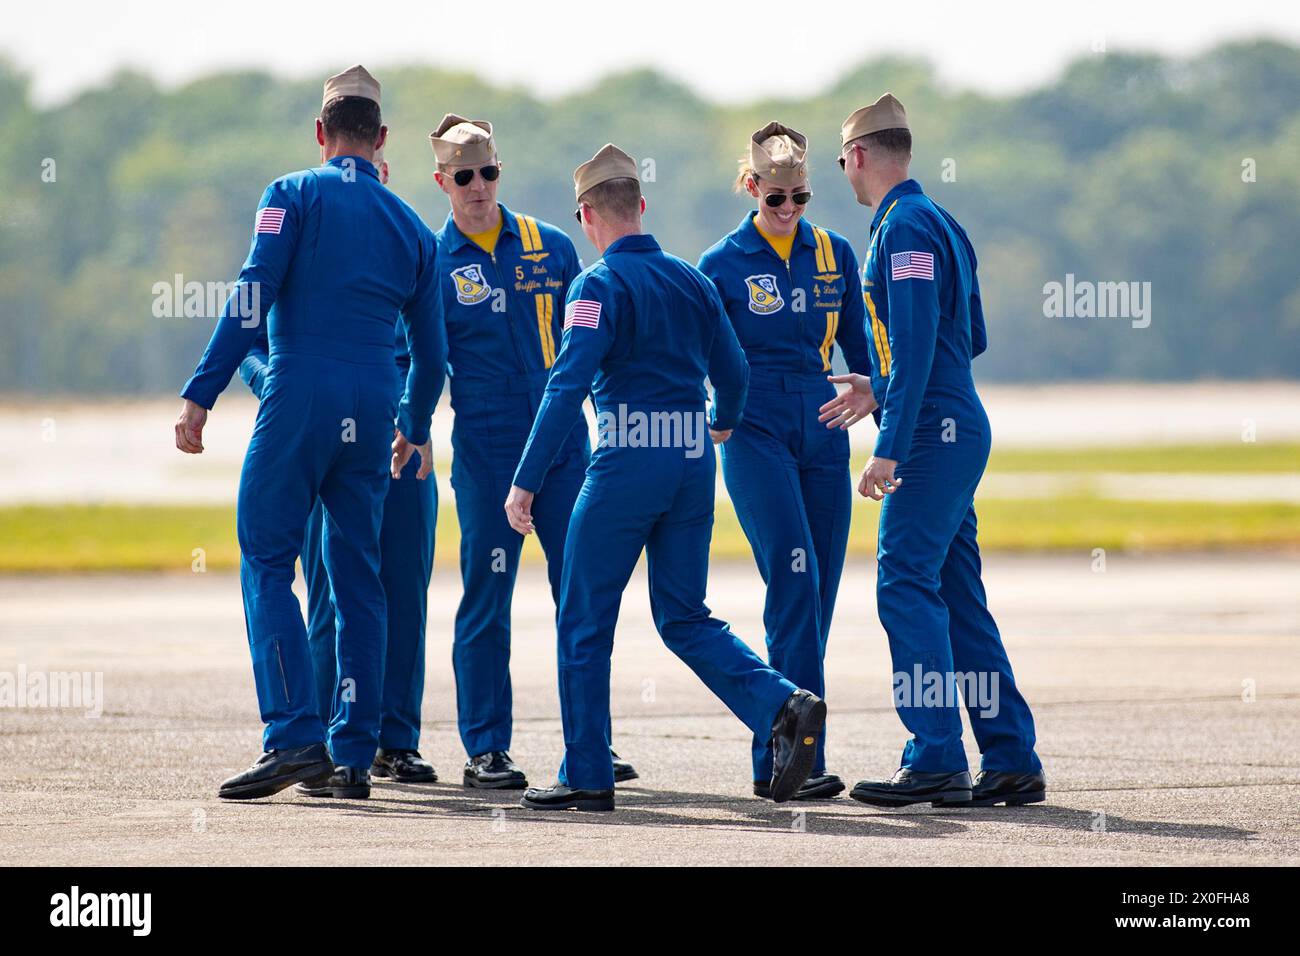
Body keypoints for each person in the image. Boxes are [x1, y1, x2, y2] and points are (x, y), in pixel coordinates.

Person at [504, 144, 826, 812]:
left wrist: (526, 479)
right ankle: (779, 701)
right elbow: (734, 371)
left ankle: (588, 773)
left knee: (584, 618)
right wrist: (722, 422)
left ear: (586, 215)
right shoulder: (693, 280)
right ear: (641, 206)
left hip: (626, 462)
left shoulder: (595, 286)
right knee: (683, 614)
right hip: (690, 462)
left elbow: (566, 388)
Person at [175, 65, 446, 801]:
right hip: (375, 406)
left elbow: (252, 292)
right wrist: (414, 428)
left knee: (266, 556)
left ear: (321, 133)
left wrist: (203, 392)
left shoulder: (290, 194)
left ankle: (294, 734)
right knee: (360, 576)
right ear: (381, 137)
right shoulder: (414, 230)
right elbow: (434, 353)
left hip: (300, 393)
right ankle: (353, 754)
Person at [823, 93, 1045, 807]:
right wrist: (879, 385)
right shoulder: (940, 222)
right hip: (949, 413)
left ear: (858, 156)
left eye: (841, 162)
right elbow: (966, 338)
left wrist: (889, 442)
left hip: (933, 432)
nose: (845, 175)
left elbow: (918, 341)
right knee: (954, 592)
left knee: (902, 582)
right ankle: (1009, 755)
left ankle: (935, 757)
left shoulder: (904, 229)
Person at [427, 114, 636, 789]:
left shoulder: (552, 247)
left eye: (488, 172)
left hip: (562, 447)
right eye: (464, 176)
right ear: (442, 181)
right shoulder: (431, 263)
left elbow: (593, 355)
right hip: (487, 451)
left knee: (580, 589)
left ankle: (590, 747)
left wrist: (610, 431)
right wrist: (407, 431)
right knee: (486, 594)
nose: (479, 186)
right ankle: (487, 748)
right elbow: (419, 363)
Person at [237, 147, 440, 788]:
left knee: (377, 585)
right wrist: (281, 388)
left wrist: (412, 424)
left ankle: (345, 742)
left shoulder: (371, 229)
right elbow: (254, 344)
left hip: (379, 440)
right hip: (340, 427)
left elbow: (432, 360)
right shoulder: (381, 230)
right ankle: (338, 745)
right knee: (338, 590)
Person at [697, 122, 873, 800]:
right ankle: (785, 756)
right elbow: (700, 357)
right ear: (751, 188)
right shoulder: (721, 263)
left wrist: (888, 425)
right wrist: (711, 417)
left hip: (824, 423)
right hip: (754, 426)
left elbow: (863, 352)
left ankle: (798, 751)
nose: (790, 209)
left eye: (801, 196)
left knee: (820, 589)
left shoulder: (834, 254)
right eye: (776, 198)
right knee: (793, 580)